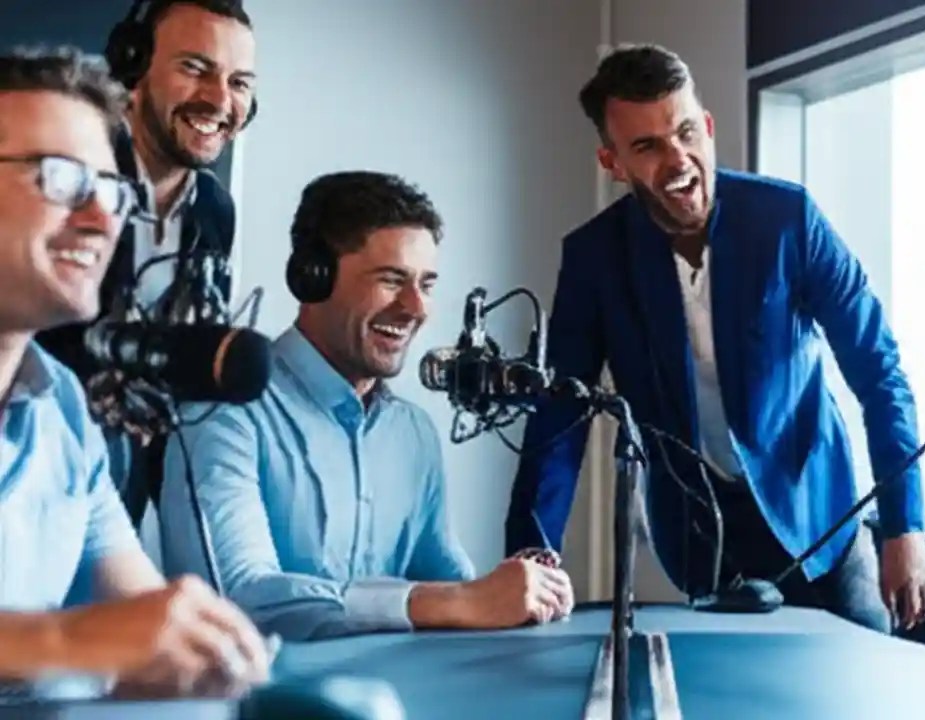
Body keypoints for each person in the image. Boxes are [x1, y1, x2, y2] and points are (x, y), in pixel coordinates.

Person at [505, 44, 925, 632]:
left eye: (686, 132)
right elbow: (560, 413)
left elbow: (878, 372)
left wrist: (905, 526)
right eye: (647, 147)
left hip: (819, 518)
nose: (678, 159)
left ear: (707, 126)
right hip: (700, 540)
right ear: (613, 162)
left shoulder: (790, 219)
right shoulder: (592, 259)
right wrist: (530, 557)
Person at [159, 171, 576, 641]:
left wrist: (519, 593)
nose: (416, 307)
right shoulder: (224, 412)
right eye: (392, 280)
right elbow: (236, 598)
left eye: (427, 284)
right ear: (312, 277)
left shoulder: (412, 433)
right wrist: (448, 602)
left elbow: (454, 588)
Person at [0, 46, 267, 698]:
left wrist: (212, 655)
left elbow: (143, 618)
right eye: (60, 179)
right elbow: (88, 639)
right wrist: (63, 640)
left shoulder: (61, 407)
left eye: (111, 191)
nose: (102, 220)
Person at [35, 0, 257, 526]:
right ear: (133, 66)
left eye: (240, 82)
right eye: (195, 69)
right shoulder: (67, 175)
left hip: (121, 489)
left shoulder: (214, 210)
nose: (219, 99)